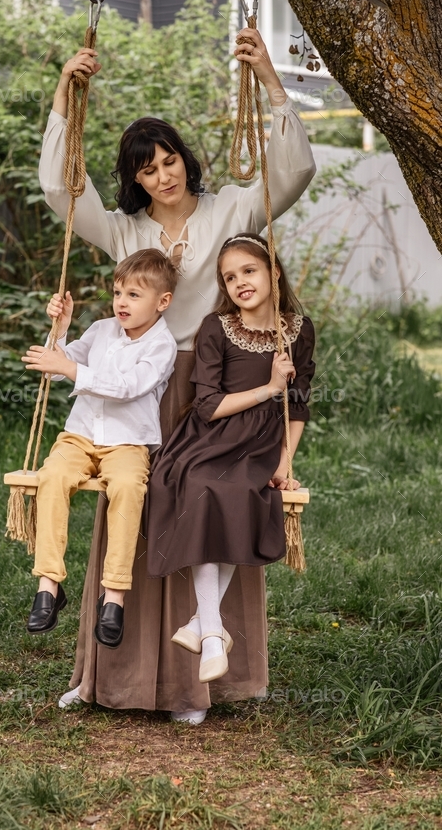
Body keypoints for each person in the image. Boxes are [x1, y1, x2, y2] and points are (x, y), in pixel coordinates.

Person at [39, 26, 316, 723]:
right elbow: (57, 188)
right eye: (147, 169)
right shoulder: (125, 233)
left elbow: (294, 174)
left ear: (184, 160)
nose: (163, 176)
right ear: (134, 180)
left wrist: (271, 79)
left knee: (204, 507)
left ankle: (200, 685)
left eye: (169, 161)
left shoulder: (229, 209)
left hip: (212, 384)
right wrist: (66, 94)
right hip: (136, 388)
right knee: (129, 513)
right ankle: (105, 676)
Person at [145, 233, 315, 684]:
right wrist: (268, 388)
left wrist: (284, 463)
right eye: (230, 277)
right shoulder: (216, 328)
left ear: (272, 271)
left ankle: (202, 626)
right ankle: (215, 633)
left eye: (249, 271)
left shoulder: (298, 329)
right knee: (203, 487)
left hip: (260, 444)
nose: (240, 282)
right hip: (208, 438)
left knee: (242, 493)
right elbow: (207, 406)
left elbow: (297, 405)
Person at [21, 249, 178, 648]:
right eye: (117, 292)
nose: (121, 302)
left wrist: (73, 370)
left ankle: (115, 597)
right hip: (81, 435)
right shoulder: (101, 330)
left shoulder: (162, 346)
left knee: (127, 488)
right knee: (52, 476)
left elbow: (128, 388)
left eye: (133, 295)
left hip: (129, 442)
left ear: (163, 302)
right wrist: (61, 328)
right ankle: (49, 585)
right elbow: (59, 366)